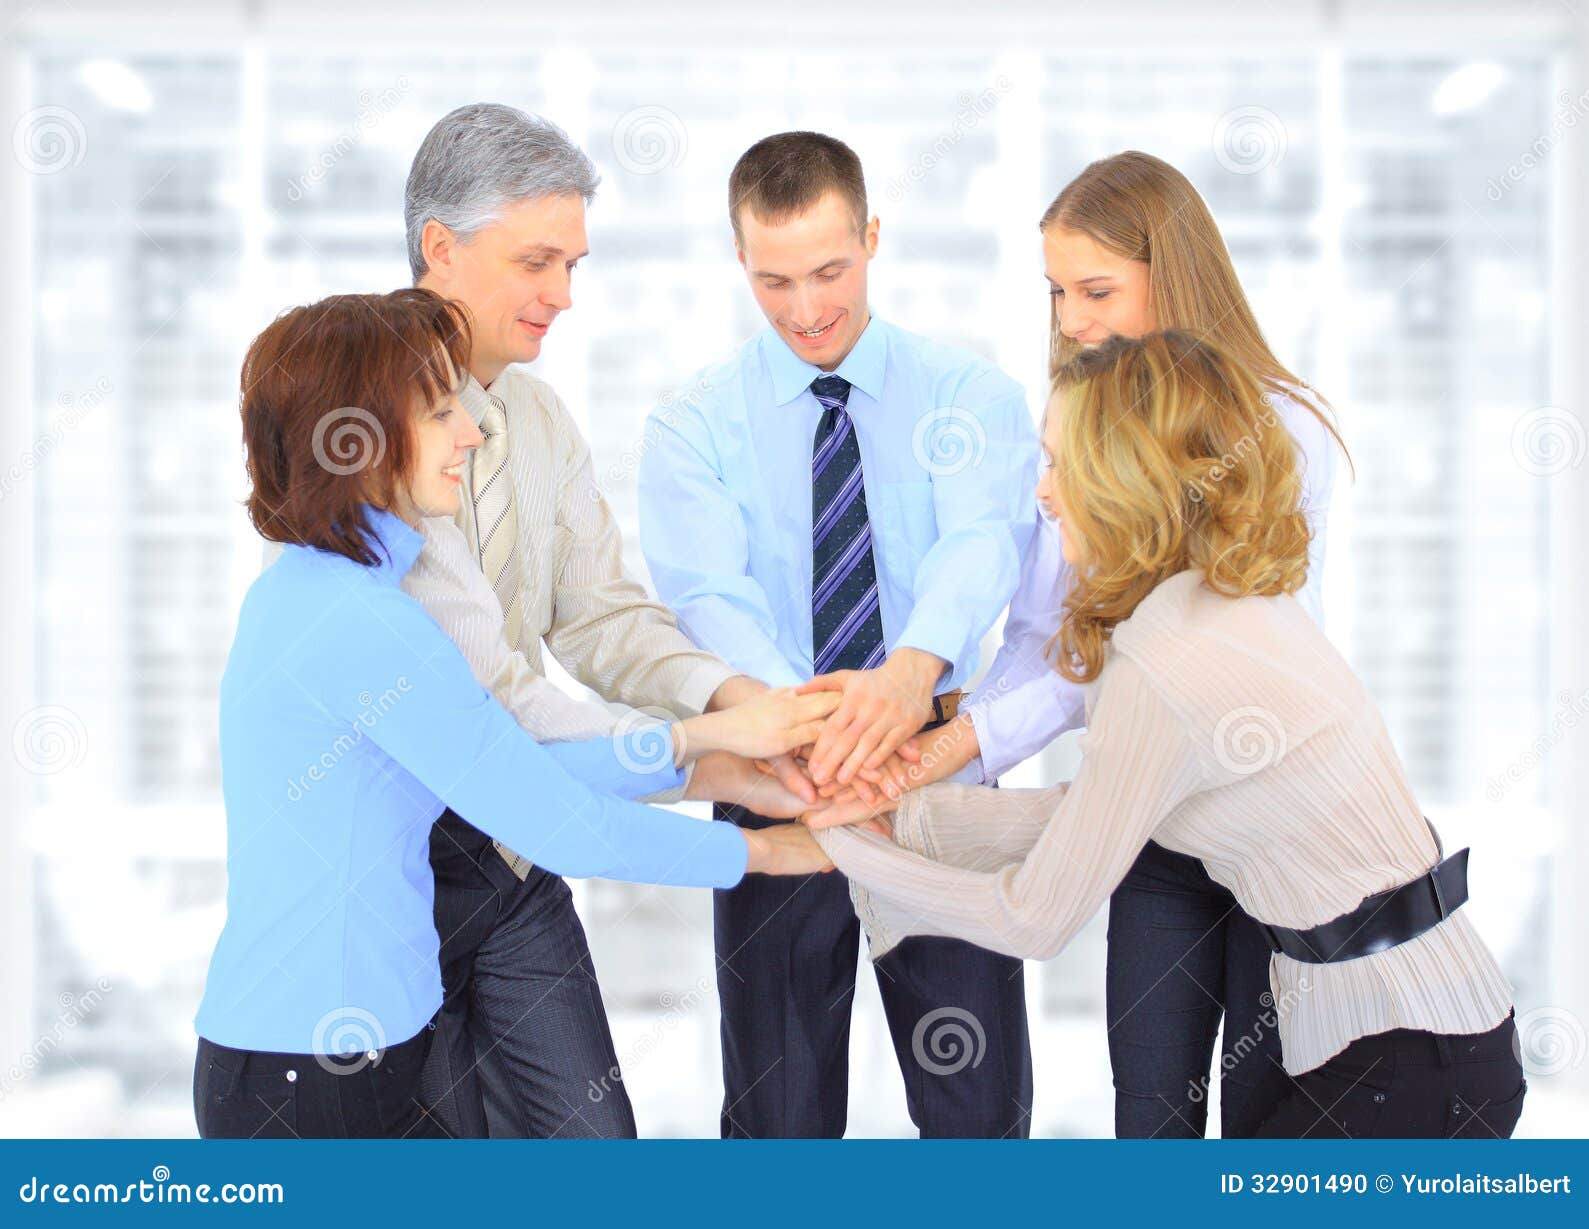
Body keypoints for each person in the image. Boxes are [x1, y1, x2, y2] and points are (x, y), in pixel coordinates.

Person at [806, 331, 1524, 1139]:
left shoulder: (1164, 656)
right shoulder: (1219, 594)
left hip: (1404, 1059)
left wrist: (850, 848)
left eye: (1058, 463)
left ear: (1125, 479)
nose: (1042, 495)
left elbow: (1034, 916)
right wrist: (903, 818)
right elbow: (1103, 814)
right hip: (1417, 1041)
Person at [193, 289, 835, 1139]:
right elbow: (558, 823)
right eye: (437, 409)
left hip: (348, 1053)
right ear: (358, 442)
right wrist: (760, 850)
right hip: (304, 1080)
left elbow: (513, 773)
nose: (470, 429)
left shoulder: (317, 595)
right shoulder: (369, 625)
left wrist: (706, 760)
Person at [836, 151, 1346, 1137]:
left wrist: (941, 760)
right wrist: (939, 750)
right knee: (1148, 1107)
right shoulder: (1072, 435)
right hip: (1149, 823)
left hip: (1271, 825)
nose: (1070, 318)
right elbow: (1053, 642)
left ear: (1174, 274)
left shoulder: (1282, 428)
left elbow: (1204, 646)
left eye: (1096, 289)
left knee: (1264, 1112)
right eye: (1057, 290)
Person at [400, 104, 823, 1138]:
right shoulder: (371, 416)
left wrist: (739, 699)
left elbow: (601, 618)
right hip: (398, 868)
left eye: (573, 265)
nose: (562, 296)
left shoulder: (538, 418)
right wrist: (711, 751)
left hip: (515, 859)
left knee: (593, 1150)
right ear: (440, 248)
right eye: (537, 261)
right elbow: (491, 693)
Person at [638, 132, 1038, 1138]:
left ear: (871, 235)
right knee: (778, 1116)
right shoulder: (691, 423)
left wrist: (906, 678)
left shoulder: (965, 394)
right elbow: (706, 595)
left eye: (829, 270)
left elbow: (981, 543)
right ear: (739, 260)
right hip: (778, 782)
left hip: (932, 767)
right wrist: (816, 726)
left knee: (977, 1113)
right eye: (774, 280)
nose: (807, 309)